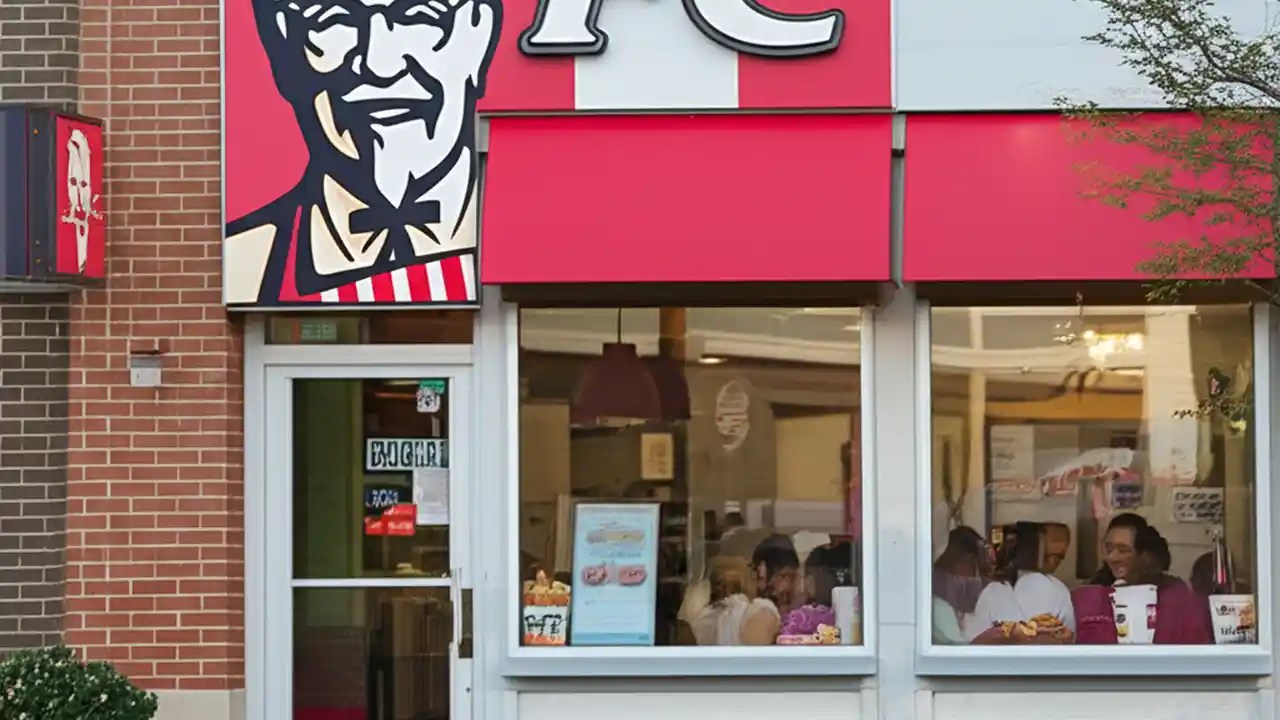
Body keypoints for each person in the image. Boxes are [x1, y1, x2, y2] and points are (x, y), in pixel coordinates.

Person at [225, 0, 502, 306]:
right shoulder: (248, 262)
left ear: (479, 36)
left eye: (419, 16)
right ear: (283, 45)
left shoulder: (533, 243)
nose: (379, 65)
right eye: (335, 18)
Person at [963, 522, 1075, 643]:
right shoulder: (1057, 590)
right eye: (1053, 555)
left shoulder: (991, 591)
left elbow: (973, 643)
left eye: (1060, 557)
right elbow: (1070, 638)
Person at [932, 526, 994, 645]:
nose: (976, 576)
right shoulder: (940, 610)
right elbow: (958, 654)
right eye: (973, 567)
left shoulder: (953, 610)